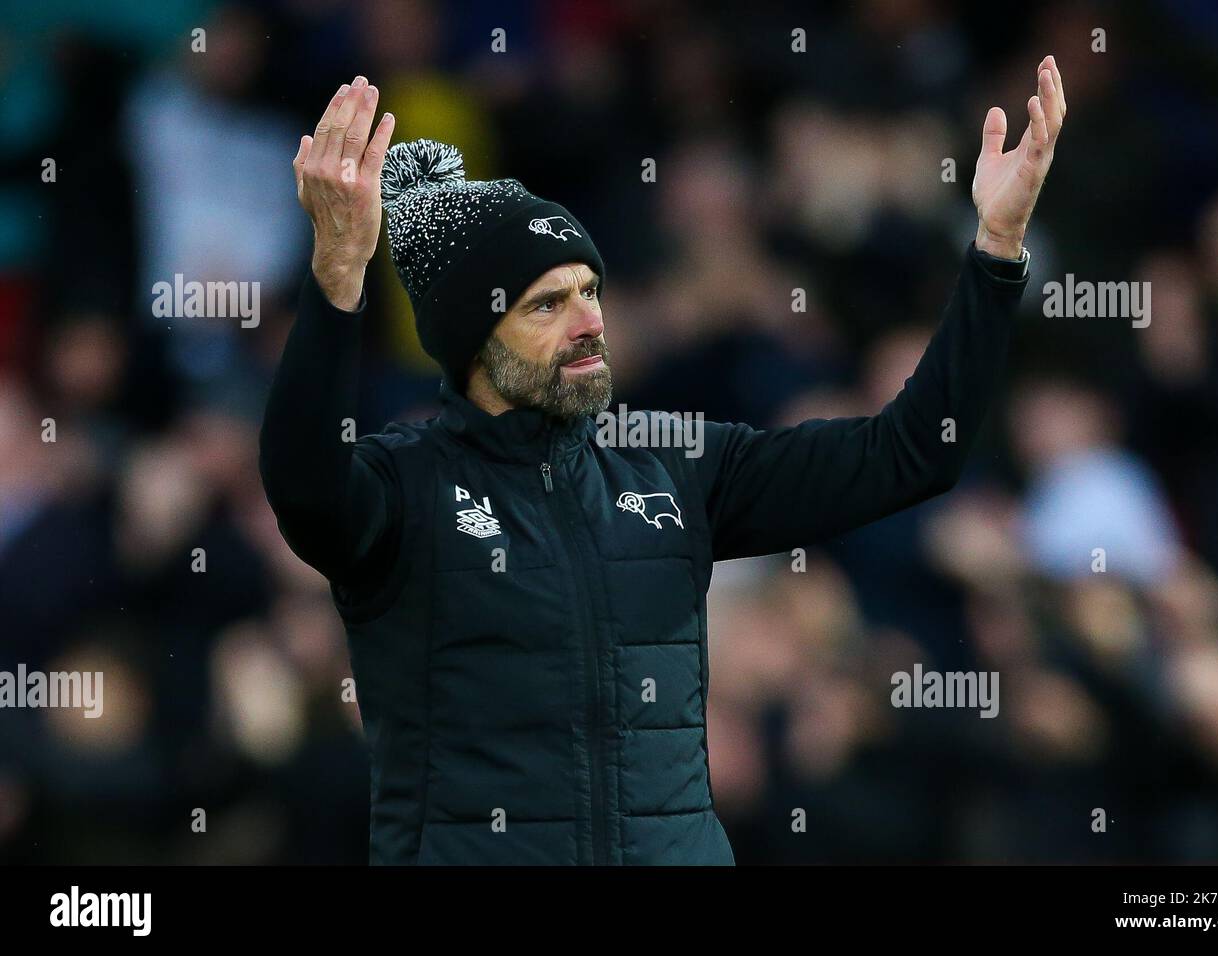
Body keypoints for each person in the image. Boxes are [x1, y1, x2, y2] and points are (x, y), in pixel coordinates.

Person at [260, 60, 1066, 865]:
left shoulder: (674, 464)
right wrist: (337, 279)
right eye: (548, 304)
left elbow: (914, 452)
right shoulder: (405, 484)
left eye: (590, 290)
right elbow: (307, 488)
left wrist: (994, 251)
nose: (588, 321)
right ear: (474, 343)